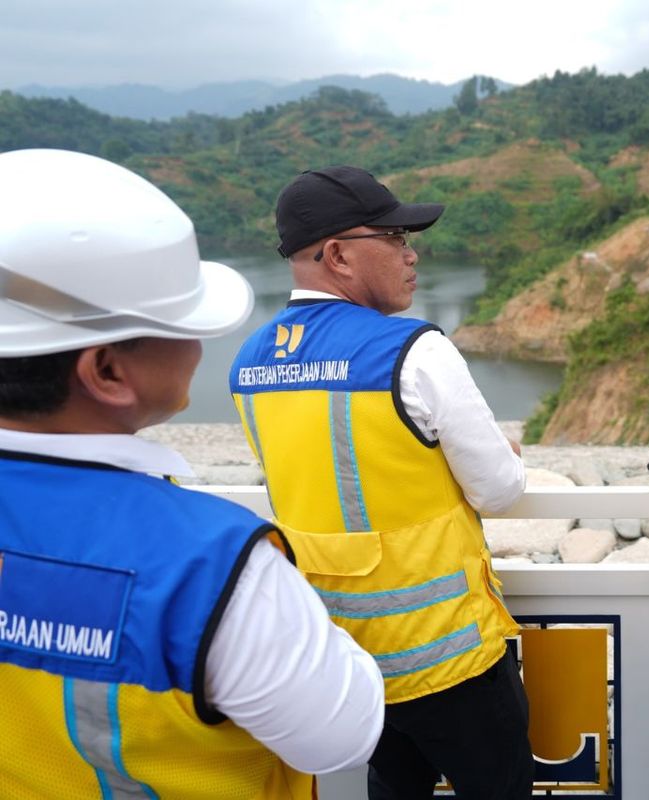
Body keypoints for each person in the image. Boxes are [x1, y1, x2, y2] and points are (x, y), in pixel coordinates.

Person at [0, 149, 384, 799]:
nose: (199, 346)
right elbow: (341, 738)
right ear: (107, 372)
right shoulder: (208, 566)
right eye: (181, 326)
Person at [229, 165, 532, 800]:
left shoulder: (249, 363)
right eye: (393, 238)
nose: (411, 253)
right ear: (338, 255)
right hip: (448, 656)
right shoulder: (412, 350)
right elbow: (499, 490)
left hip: (342, 657)